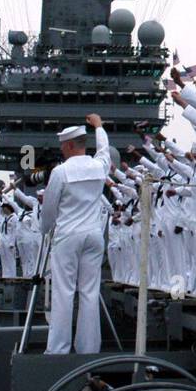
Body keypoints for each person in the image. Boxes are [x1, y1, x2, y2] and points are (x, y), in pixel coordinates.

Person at [39, 115, 112, 354]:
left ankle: (58, 349)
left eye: (63, 144)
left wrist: (46, 231)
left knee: (64, 293)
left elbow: (49, 210)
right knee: (90, 292)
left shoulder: (60, 172)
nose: (61, 148)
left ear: (70, 145)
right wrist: (99, 127)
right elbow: (104, 151)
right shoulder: (99, 166)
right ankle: (88, 348)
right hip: (94, 235)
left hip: (68, 236)